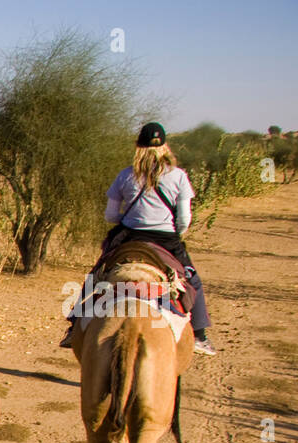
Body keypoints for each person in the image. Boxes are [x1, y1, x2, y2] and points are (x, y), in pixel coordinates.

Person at [60, 121, 217, 356]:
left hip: (129, 237)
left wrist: (132, 216)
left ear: (138, 146)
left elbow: (111, 215)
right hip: (166, 240)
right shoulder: (178, 176)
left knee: (96, 275)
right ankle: (200, 335)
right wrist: (175, 233)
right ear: (164, 146)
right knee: (192, 281)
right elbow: (184, 218)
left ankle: (75, 326)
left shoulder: (126, 175)